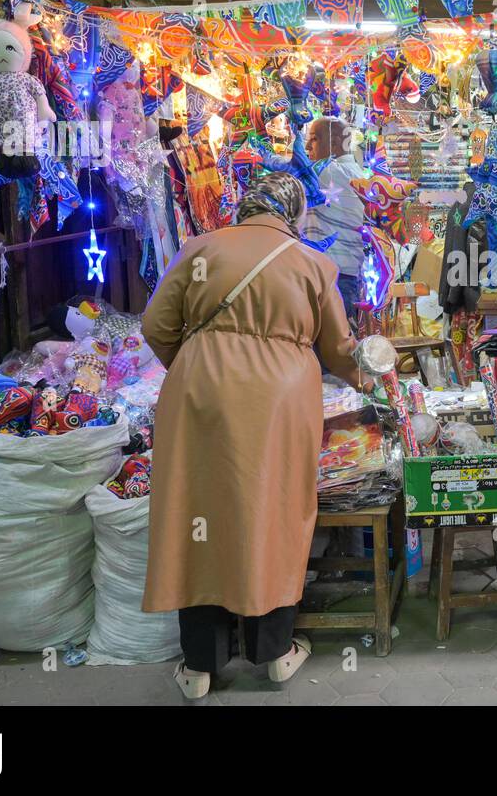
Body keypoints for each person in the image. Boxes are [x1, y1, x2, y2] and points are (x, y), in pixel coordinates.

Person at [141, 172, 366, 700]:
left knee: (196, 515)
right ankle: (274, 653)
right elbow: (337, 350)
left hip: (197, 397)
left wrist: (199, 367)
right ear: (291, 212)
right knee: (273, 511)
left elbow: (155, 325)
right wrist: (373, 377)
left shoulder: (200, 248)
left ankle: (200, 666)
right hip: (278, 402)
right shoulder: (311, 263)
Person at [301, 116, 367, 321]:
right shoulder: (356, 171)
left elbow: (284, 176)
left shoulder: (330, 172)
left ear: (336, 142)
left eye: (313, 139)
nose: (307, 146)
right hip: (344, 275)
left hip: (332, 277)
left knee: (325, 348)